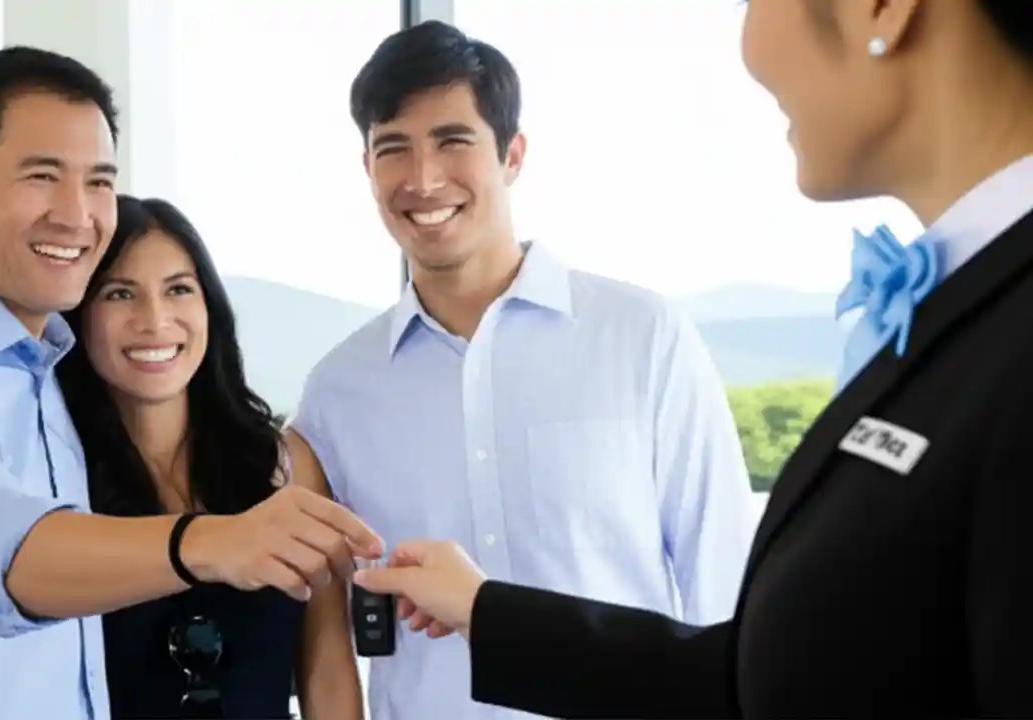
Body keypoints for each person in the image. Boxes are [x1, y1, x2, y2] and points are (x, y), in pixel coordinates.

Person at [353, 1, 1033, 717]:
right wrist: (488, 611)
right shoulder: (963, 316)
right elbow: (762, 668)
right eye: (393, 146)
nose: (748, 45)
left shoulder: (646, 334)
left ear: (885, 9)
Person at [0, 48, 381, 720]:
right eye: (42, 176)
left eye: (98, 181)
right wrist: (215, 541)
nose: (77, 214)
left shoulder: (41, 371)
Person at [286, 20, 760, 720]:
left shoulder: (643, 337)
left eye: (453, 140)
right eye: (394, 149)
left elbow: (723, 585)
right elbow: (326, 627)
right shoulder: (336, 392)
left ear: (512, 154)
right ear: (368, 171)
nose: (422, 179)